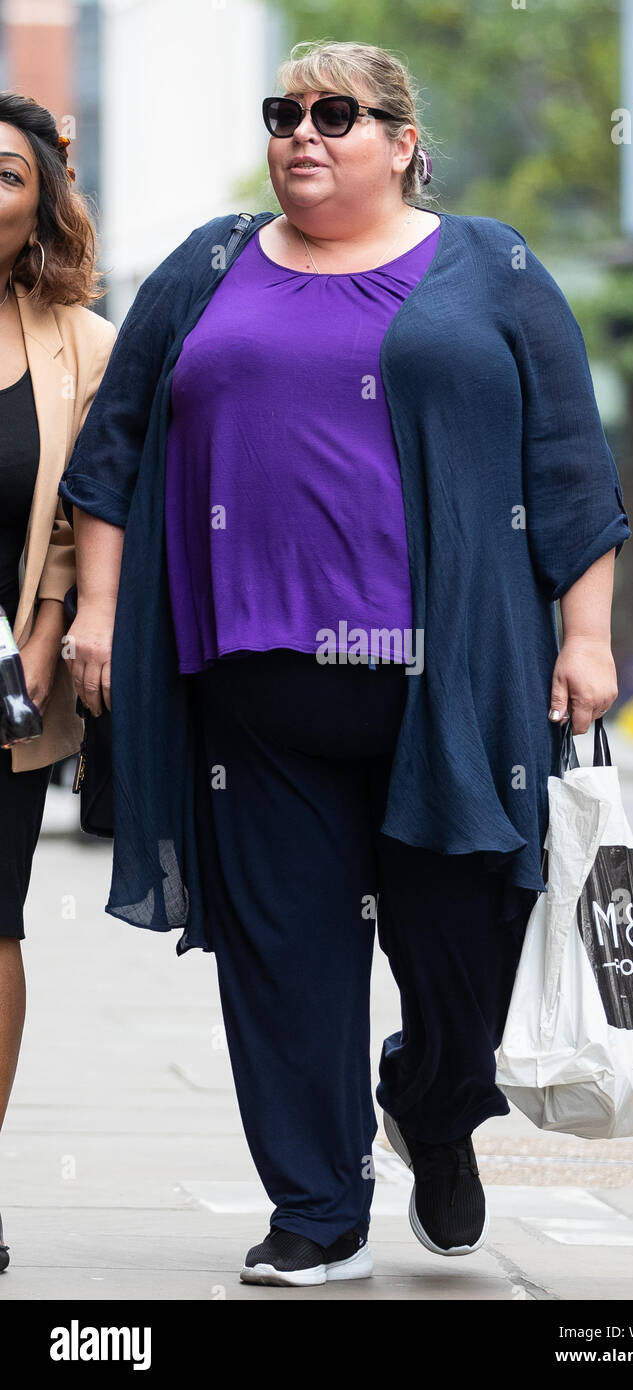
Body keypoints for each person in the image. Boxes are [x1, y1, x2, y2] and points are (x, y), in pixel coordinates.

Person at [58, 40, 631, 1288]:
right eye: (284, 112)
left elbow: (572, 469)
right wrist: (96, 612)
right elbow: (110, 449)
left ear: (402, 142)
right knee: (285, 959)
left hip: (450, 687)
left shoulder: (491, 266)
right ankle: (316, 1208)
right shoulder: (208, 266)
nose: (303, 133)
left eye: (335, 114)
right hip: (254, 688)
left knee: (465, 960)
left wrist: (584, 636)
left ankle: (431, 1104)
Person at [0, 93, 116, 1273]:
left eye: (5, 174)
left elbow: (87, 525)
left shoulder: (81, 340)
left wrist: (31, 667)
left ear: (40, 202)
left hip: (5, 687)